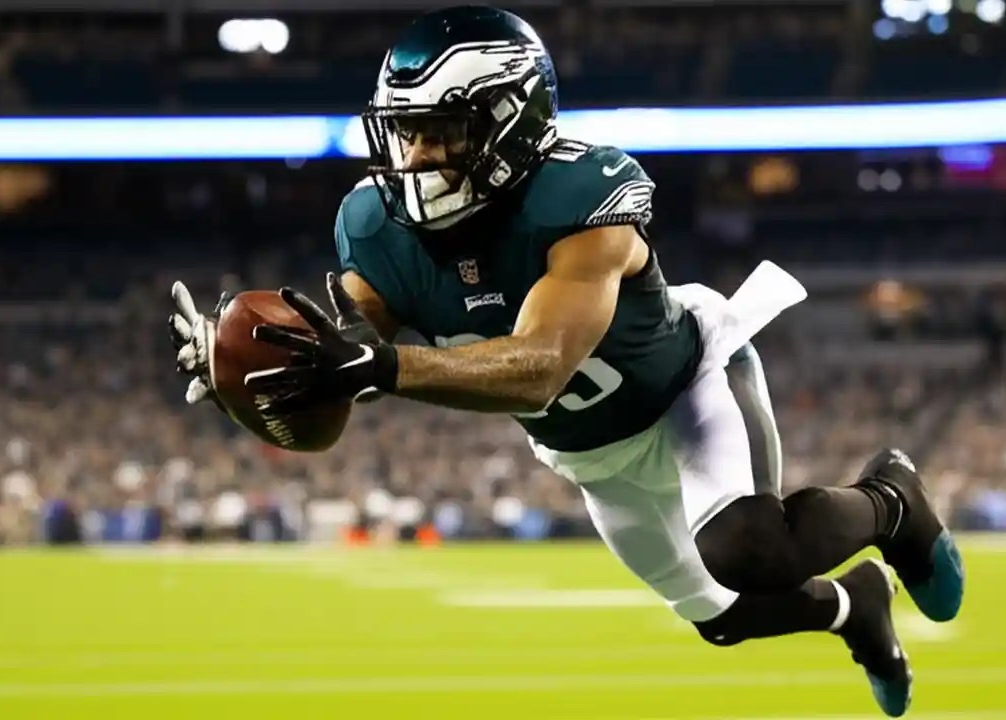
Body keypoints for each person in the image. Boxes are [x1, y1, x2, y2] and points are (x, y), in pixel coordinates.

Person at [168, 6, 964, 716]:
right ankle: (855, 605)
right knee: (722, 619)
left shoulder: (583, 197)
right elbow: (345, 373)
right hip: (590, 454)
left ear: (512, 122)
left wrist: (381, 367)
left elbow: (542, 363)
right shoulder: (374, 228)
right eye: (405, 129)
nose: (415, 155)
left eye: (442, 128)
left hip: (687, 392)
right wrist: (260, 365)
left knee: (749, 551)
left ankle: (892, 501)